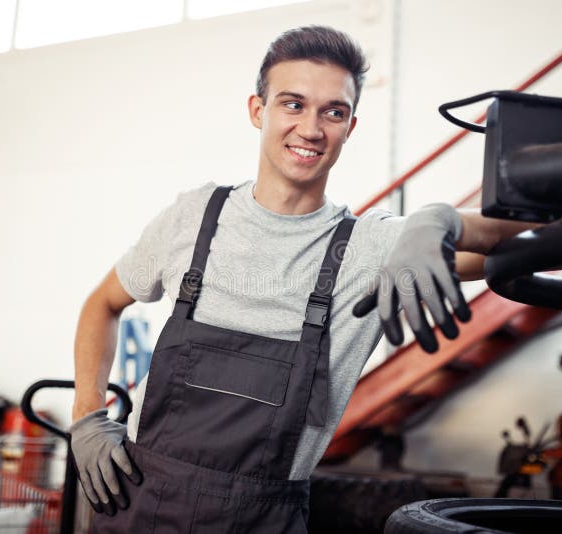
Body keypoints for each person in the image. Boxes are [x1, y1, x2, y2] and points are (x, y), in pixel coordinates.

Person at [70, 25, 533, 532]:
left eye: (332, 112)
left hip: (261, 521)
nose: (311, 129)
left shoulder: (370, 247)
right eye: (292, 104)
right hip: (138, 504)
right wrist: (87, 415)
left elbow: (531, 241)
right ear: (257, 110)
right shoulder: (195, 217)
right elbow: (102, 304)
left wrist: (441, 219)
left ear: (350, 126)